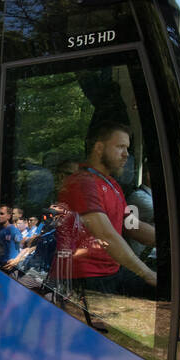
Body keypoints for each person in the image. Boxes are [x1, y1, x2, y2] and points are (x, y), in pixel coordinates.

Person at [58, 122, 157, 294]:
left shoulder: (113, 185)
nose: (126, 154)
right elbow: (105, 235)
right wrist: (148, 274)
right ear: (99, 148)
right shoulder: (82, 182)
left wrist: (170, 241)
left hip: (112, 272)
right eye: (120, 147)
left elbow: (132, 226)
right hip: (87, 279)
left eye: (127, 148)